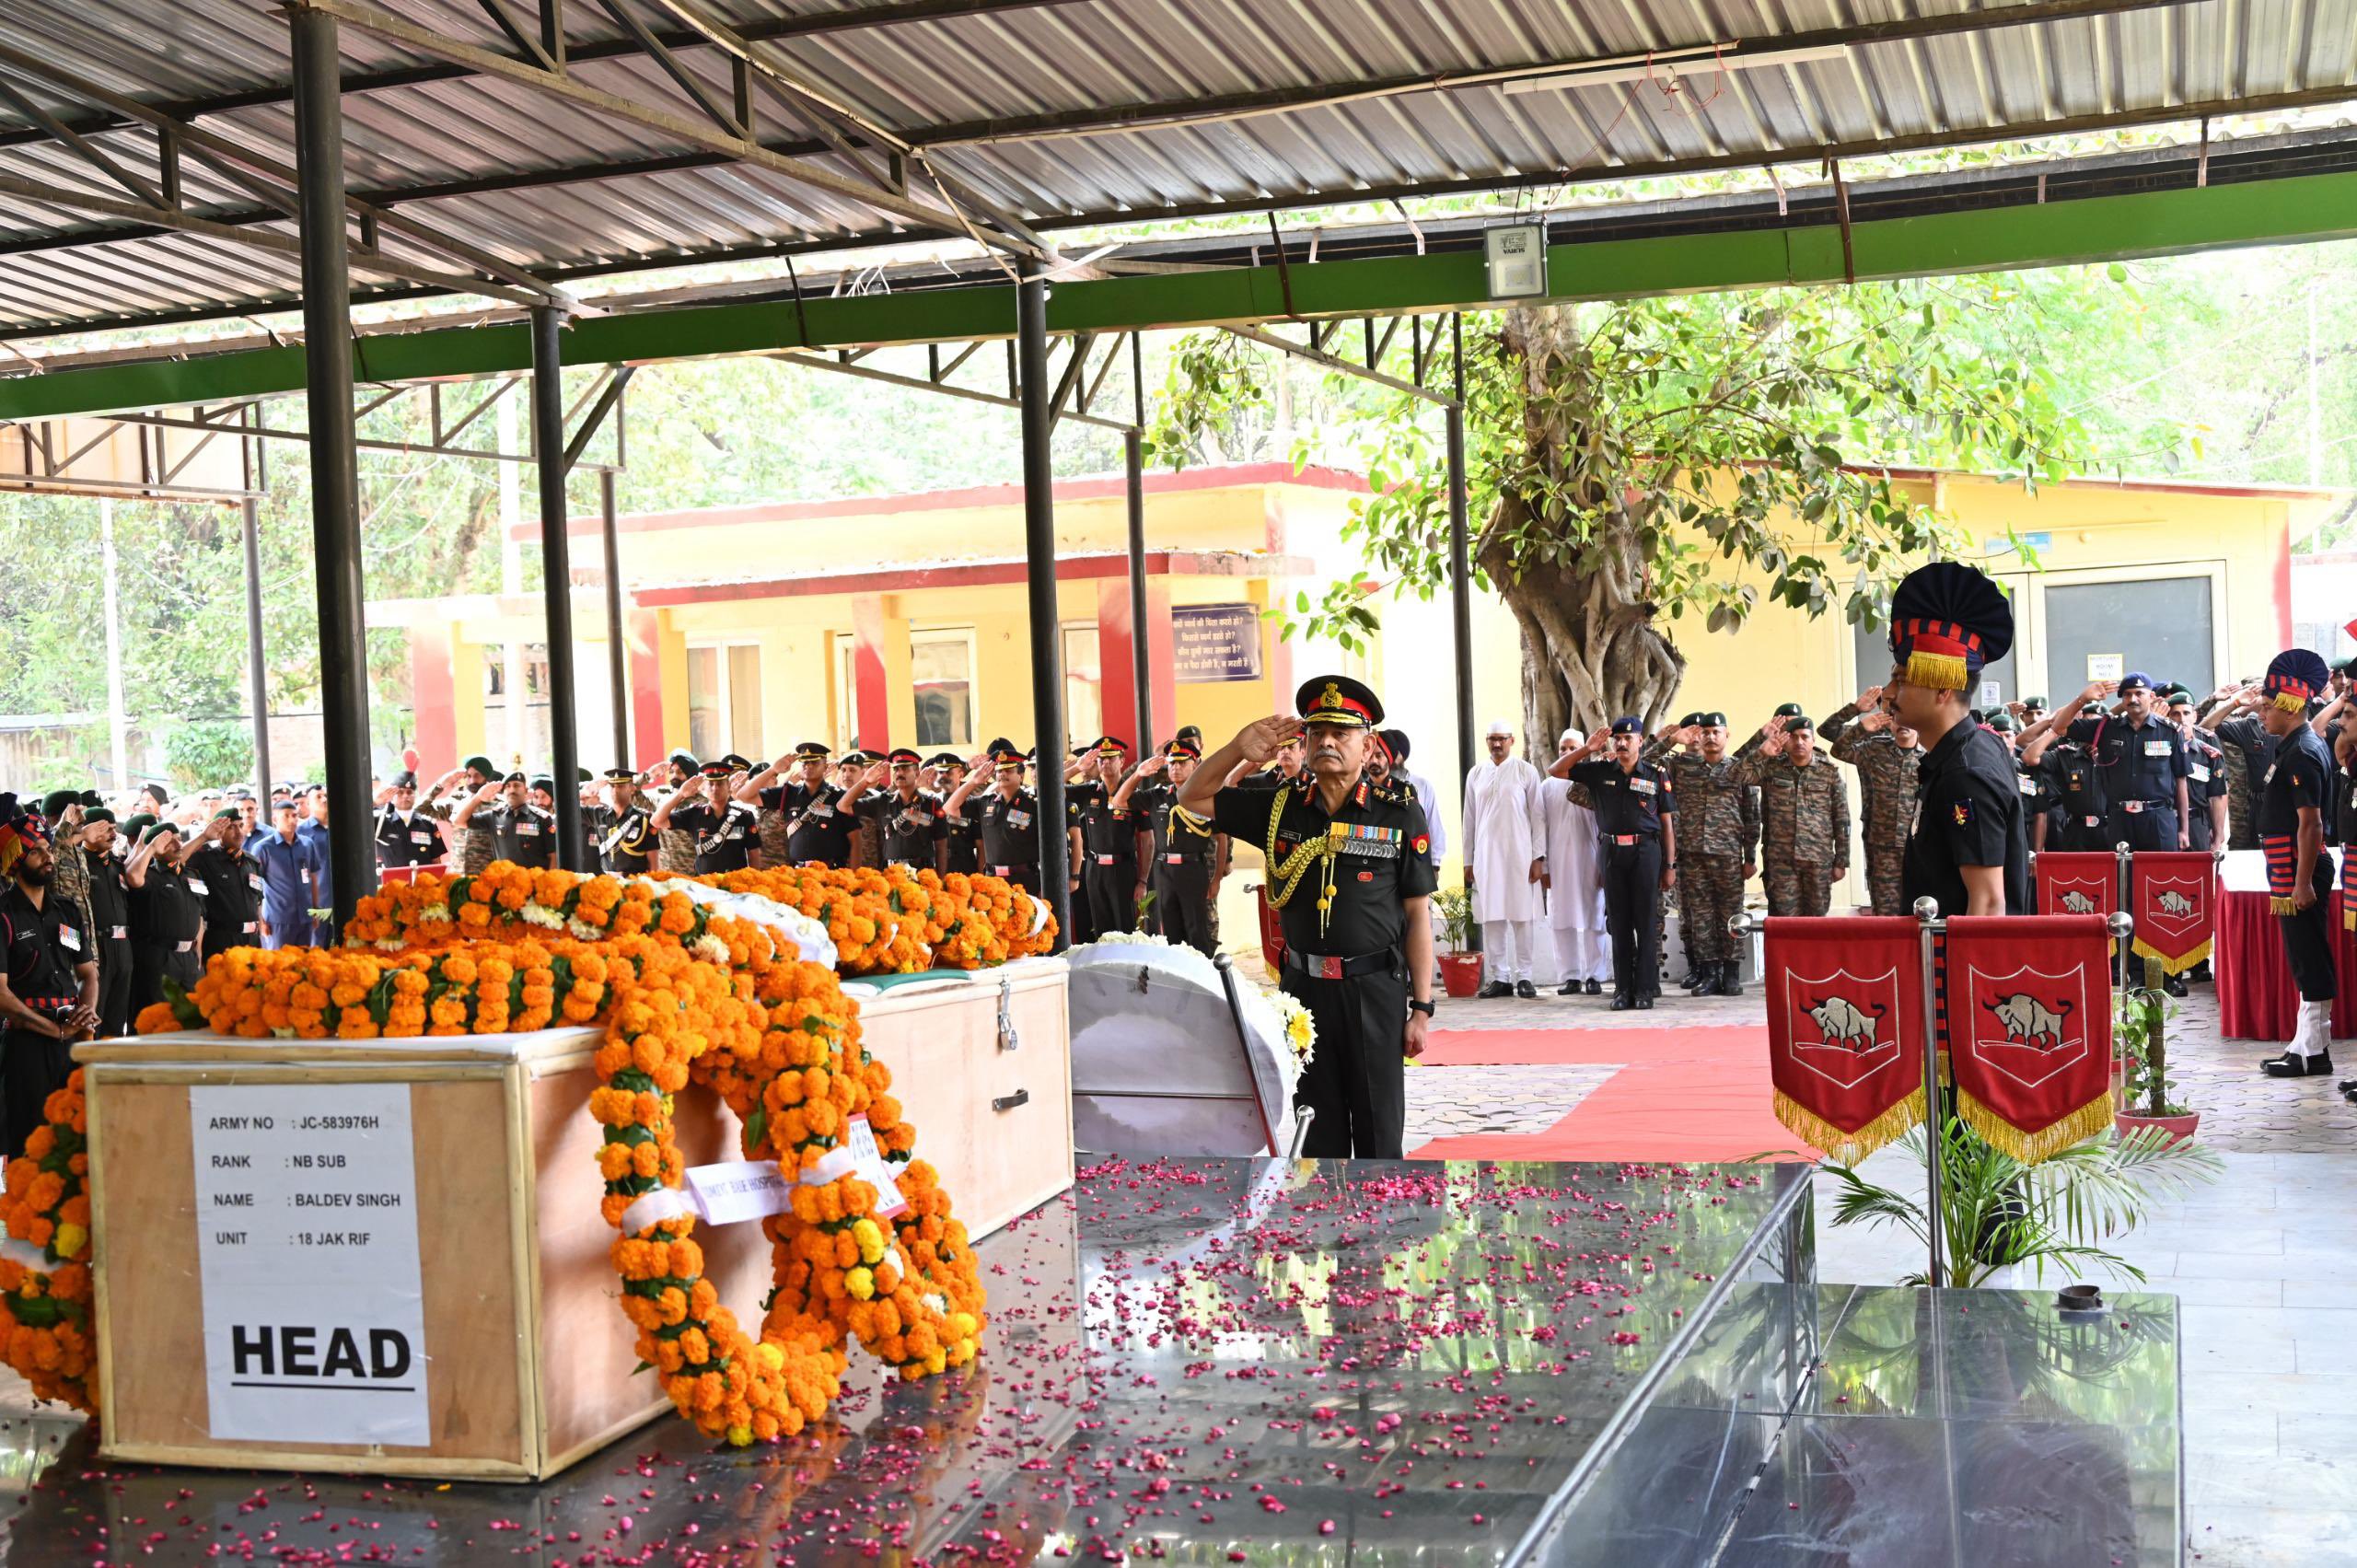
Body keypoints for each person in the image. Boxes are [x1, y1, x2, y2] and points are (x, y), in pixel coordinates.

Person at [1178, 676, 1436, 1158]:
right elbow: (1191, 796)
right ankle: (1326, 1230)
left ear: (1368, 745)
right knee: (1316, 1132)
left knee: (1381, 1135)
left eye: (1341, 733)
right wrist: (1238, 748)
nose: (1328, 743)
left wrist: (1421, 1009)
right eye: (1317, 733)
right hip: (1304, 994)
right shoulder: (1280, 808)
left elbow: (1417, 916)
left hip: (1374, 991)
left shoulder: (1397, 814)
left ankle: (1386, 1231)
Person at [1886, 562, 2027, 917]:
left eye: (1901, 680)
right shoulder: (1967, 749)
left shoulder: (1965, 772)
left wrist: (1967, 975)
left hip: (1960, 968)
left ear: (1942, 689)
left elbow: (1989, 903)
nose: (1888, 693)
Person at [2254, 651, 2341, 1079]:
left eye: (2268, 705)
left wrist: (2302, 883)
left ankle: (2314, 1050)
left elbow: (2311, 824)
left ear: (2290, 706)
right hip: (2290, 866)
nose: (2261, 711)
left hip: (2299, 868)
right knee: (2302, 956)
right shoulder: (2294, 745)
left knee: (2309, 957)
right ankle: (2304, 1045)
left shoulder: (2302, 752)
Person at [1554, 719, 1677, 1009]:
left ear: (1640, 741)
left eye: (1628, 738)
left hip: (1646, 851)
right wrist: (1587, 748)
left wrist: (1670, 865)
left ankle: (1645, 991)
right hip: (1611, 852)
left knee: (1646, 923)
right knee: (1619, 923)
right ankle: (1623, 990)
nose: (1622, 743)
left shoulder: (1657, 775)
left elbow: (1667, 824)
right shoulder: (1599, 771)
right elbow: (1556, 770)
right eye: (1617, 739)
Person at [0, 821, 98, 1157]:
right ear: (16, 860)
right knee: (31, 1139)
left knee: (76, 1135)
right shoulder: (4, 915)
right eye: (36, 851)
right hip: (26, 1042)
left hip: (72, 1035)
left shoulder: (67, 909)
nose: (48, 857)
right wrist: (54, 1030)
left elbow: (88, 974)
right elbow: (2, 996)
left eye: (47, 848)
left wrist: (84, 1023)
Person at [1643, 712, 1757, 994]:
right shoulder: (1681, 767)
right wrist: (1669, 740)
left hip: (1728, 854)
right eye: (1705, 733)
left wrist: (1751, 856)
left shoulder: (1738, 769)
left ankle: (1731, 972)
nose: (1710, 737)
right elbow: (1643, 763)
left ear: (1727, 735)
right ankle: (1708, 973)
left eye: (1716, 732)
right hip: (1692, 853)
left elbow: (1752, 816)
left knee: (1731, 914)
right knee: (1702, 916)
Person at [2029, 672, 2189, 852]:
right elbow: (2059, 727)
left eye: (2138, 693)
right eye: (2127, 694)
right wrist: (2082, 699)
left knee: (2159, 877)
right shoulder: (2106, 727)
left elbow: (2180, 781)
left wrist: (2184, 829)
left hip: (2158, 817)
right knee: (2122, 877)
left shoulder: (2170, 731)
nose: (2132, 699)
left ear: (2151, 696)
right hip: (2120, 819)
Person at [1732, 713, 1850, 916]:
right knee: (1785, 924)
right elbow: (1734, 775)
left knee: (1816, 923)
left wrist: (1841, 861)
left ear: (1813, 740)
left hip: (1818, 861)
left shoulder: (1829, 773)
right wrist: (1760, 752)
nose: (1799, 742)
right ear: (1785, 741)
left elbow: (1841, 818)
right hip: (1781, 862)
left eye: (1805, 737)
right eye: (1793, 737)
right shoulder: (1770, 768)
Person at [1116, 738, 1223, 957]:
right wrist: (1139, 774)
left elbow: (1222, 838)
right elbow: (1118, 801)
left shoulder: (1204, 796)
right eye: (1172, 762)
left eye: (1182, 762)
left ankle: (1202, 980)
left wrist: (1217, 878)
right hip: (1164, 870)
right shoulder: (1158, 795)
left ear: (1195, 764)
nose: (1175, 767)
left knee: (1197, 931)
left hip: (1192, 869)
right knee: (1172, 933)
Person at [1462, 720, 1546, 999]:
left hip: (1521, 856)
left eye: (1501, 739)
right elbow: (1469, 820)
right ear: (1486, 741)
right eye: (1491, 739)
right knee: (1492, 917)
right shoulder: (1476, 774)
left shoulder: (1526, 771)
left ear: (1512, 741)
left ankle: (1525, 976)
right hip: (1486, 856)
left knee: (1523, 917)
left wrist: (1539, 857)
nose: (1496, 744)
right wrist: (1468, 860)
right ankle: (1500, 977)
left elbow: (1538, 816)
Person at [1822, 688, 1922, 916]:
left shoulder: (1929, 756)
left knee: (1921, 910)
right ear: (1889, 722)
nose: (1903, 724)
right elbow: (1838, 748)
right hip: (1882, 843)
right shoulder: (1874, 748)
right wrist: (1859, 722)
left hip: (1919, 846)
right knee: (1885, 911)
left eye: (1909, 719)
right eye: (1896, 718)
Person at [1537, 728, 1610, 996]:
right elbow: (1540, 828)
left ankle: (1595, 975)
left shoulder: (1595, 781)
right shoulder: (1546, 787)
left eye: (1572, 748)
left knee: (1594, 918)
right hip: (1558, 861)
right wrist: (1543, 866)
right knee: (1561, 920)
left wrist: (1604, 865)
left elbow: (1604, 827)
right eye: (1563, 749)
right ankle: (1570, 976)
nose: (1567, 753)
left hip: (1590, 859)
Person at [1066, 738, 1147, 941]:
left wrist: (1143, 881)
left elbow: (1148, 841)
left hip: (1123, 868)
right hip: (1094, 868)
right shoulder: (1089, 791)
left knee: (1125, 928)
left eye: (1111, 758)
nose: (1105, 763)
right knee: (1101, 929)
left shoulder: (1134, 795)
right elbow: (1047, 788)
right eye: (1101, 759)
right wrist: (1077, 768)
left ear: (1122, 761)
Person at [125, 820, 202, 1014]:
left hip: (189, 957)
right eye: (170, 842)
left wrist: (198, 946)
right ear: (158, 849)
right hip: (160, 956)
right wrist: (150, 848)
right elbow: (133, 877)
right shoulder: (150, 874)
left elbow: (199, 911)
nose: (178, 845)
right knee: (160, 1016)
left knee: (193, 1015)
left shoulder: (191, 875)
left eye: (179, 839)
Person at [946, 746, 1041, 891]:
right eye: (999, 771)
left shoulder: (1033, 804)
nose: (1002, 774)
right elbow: (949, 809)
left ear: (1021, 776)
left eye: (1008, 770)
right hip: (993, 880)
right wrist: (973, 782)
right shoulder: (985, 803)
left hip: (1026, 879)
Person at [745, 744, 854, 867]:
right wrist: (773, 770)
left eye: (815, 763)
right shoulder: (788, 793)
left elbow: (855, 840)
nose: (809, 766)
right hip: (797, 871)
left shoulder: (839, 796)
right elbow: (744, 795)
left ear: (825, 766)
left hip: (832, 870)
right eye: (805, 763)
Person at [849, 749, 950, 872]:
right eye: (896, 769)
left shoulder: (932, 803)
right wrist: (865, 781)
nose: (899, 773)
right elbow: (843, 806)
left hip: (923, 873)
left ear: (917, 773)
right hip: (892, 873)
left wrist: (940, 879)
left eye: (905, 768)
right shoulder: (882, 801)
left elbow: (941, 845)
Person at [76, 812, 132, 1037]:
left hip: (123, 948)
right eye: (104, 828)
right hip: (95, 946)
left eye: (113, 827)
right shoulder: (79, 865)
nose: (112, 833)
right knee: (93, 1017)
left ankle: (113, 1068)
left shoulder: (118, 866)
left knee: (117, 1017)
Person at [185, 808, 263, 962]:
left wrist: (259, 935)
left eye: (240, 826)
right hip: (221, 939)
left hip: (251, 940)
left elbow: (258, 902)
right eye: (231, 827)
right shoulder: (204, 859)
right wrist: (204, 837)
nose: (239, 832)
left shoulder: (252, 862)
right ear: (219, 832)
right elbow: (179, 858)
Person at [658, 760, 759, 874]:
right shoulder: (694, 814)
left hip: (735, 883)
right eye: (711, 784)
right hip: (705, 886)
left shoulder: (744, 816)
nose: (715, 788)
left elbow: (753, 854)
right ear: (704, 788)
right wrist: (680, 795)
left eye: (720, 784)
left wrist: (753, 879)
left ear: (729, 787)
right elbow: (657, 821)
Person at [252, 796, 325, 950]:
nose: (292, 820)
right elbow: (254, 886)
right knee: (279, 967)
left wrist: (316, 909)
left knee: (304, 964)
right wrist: (260, 919)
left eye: (294, 815)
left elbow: (313, 877)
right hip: (277, 920)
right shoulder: (263, 848)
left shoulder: (307, 844)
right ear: (275, 819)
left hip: (305, 917)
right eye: (286, 815)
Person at [1379, 729, 1447, 871]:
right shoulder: (1370, 784)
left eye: (1393, 751)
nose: (1388, 756)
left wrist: (1435, 864)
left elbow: (1434, 825)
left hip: (1416, 861)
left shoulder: (1422, 785)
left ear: (1402, 755)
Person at [424, 756, 502, 875]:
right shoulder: (455, 801)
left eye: (477, 775)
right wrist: (440, 785)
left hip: (487, 877)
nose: (472, 781)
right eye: (468, 776)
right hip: (458, 875)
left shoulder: (499, 804)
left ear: (486, 777)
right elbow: (420, 809)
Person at [373, 771, 446, 873]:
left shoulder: (428, 824)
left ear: (415, 795)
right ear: (392, 797)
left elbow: (436, 861)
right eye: (400, 792)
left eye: (409, 792)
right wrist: (375, 802)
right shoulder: (380, 821)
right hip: (392, 885)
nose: (405, 796)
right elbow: (357, 820)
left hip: (422, 885)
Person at [589, 767, 656, 875]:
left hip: (634, 883)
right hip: (607, 882)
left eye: (620, 786)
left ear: (632, 788)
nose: (615, 790)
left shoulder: (644, 818)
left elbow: (653, 865)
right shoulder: (599, 815)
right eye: (612, 786)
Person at [930, 753, 981, 873]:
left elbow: (981, 846)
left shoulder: (973, 804)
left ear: (961, 774)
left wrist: (980, 874)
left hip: (966, 867)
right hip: (936, 866)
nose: (944, 776)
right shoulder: (930, 802)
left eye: (949, 772)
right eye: (940, 772)